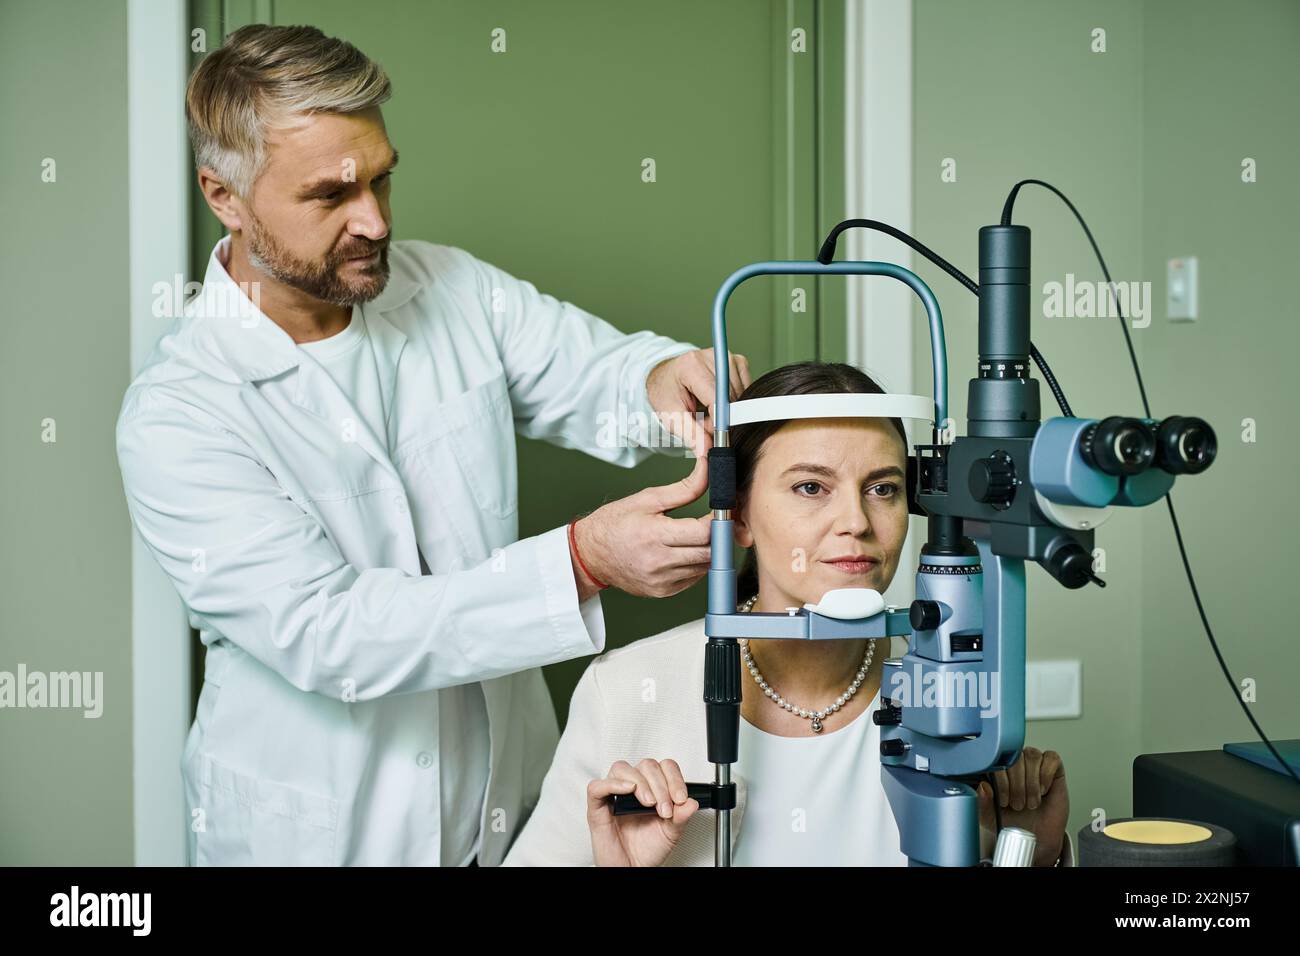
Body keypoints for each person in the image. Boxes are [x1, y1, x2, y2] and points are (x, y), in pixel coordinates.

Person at [115, 23, 748, 866]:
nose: (373, 220)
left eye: (381, 179)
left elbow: (595, 374)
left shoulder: (451, 288)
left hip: (507, 814)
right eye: (330, 196)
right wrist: (582, 563)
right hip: (317, 836)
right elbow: (330, 631)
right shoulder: (178, 413)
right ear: (223, 195)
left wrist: (662, 379)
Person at [504, 362, 1074, 866]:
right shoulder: (627, 692)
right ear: (741, 518)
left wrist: (1032, 853)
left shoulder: (951, 692)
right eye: (810, 487)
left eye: (882, 488)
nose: (855, 520)